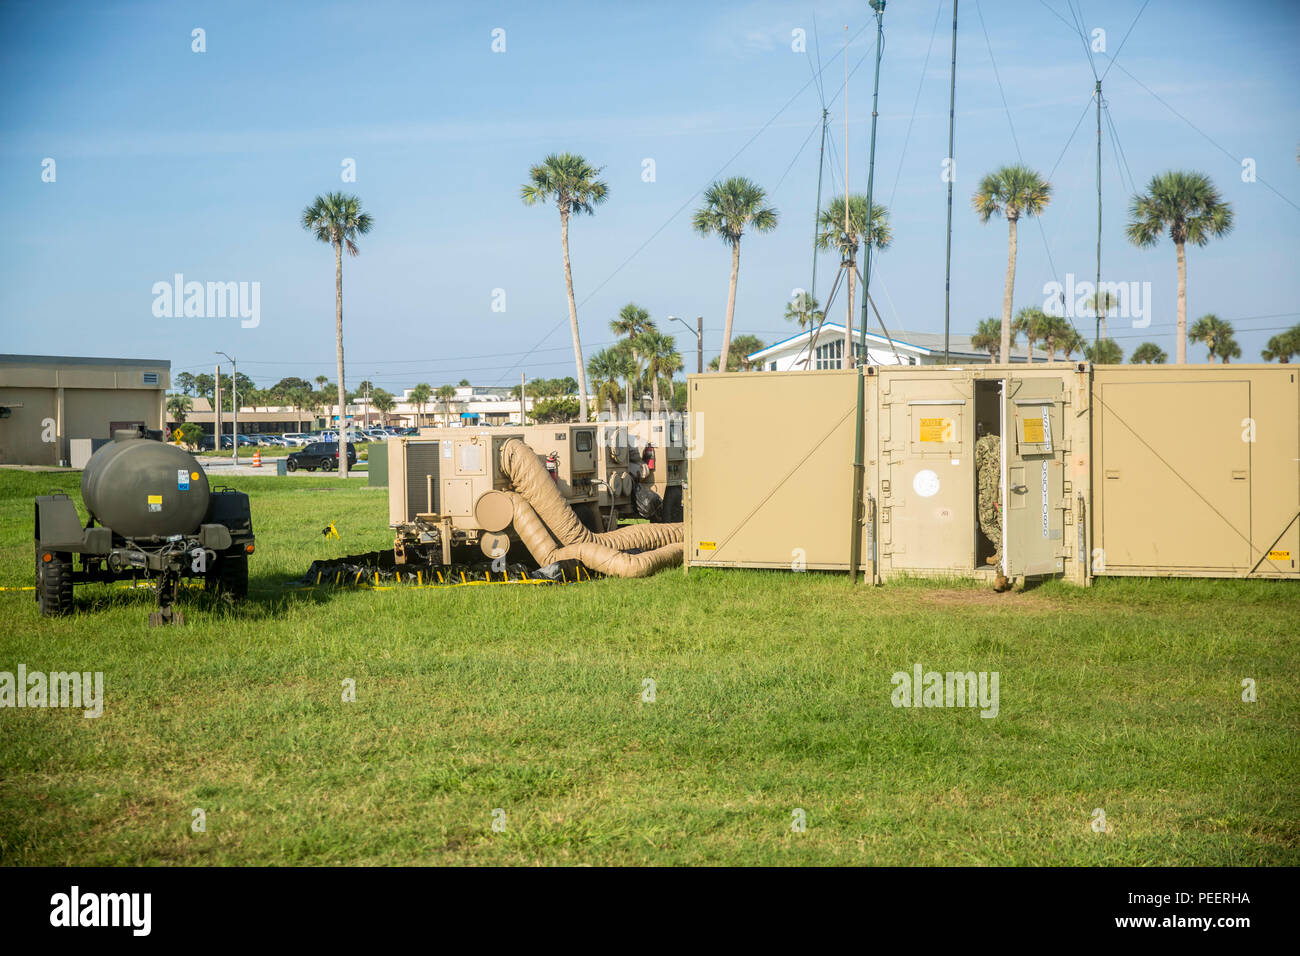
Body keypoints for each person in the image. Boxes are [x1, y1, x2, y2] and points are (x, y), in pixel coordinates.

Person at [974, 423, 1001, 567]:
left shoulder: (980, 444)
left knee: (987, 523)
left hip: (987, 491)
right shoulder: (1000, 441)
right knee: (999, 519)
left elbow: (974, 465)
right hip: (1001, 493)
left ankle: (1002, 552)